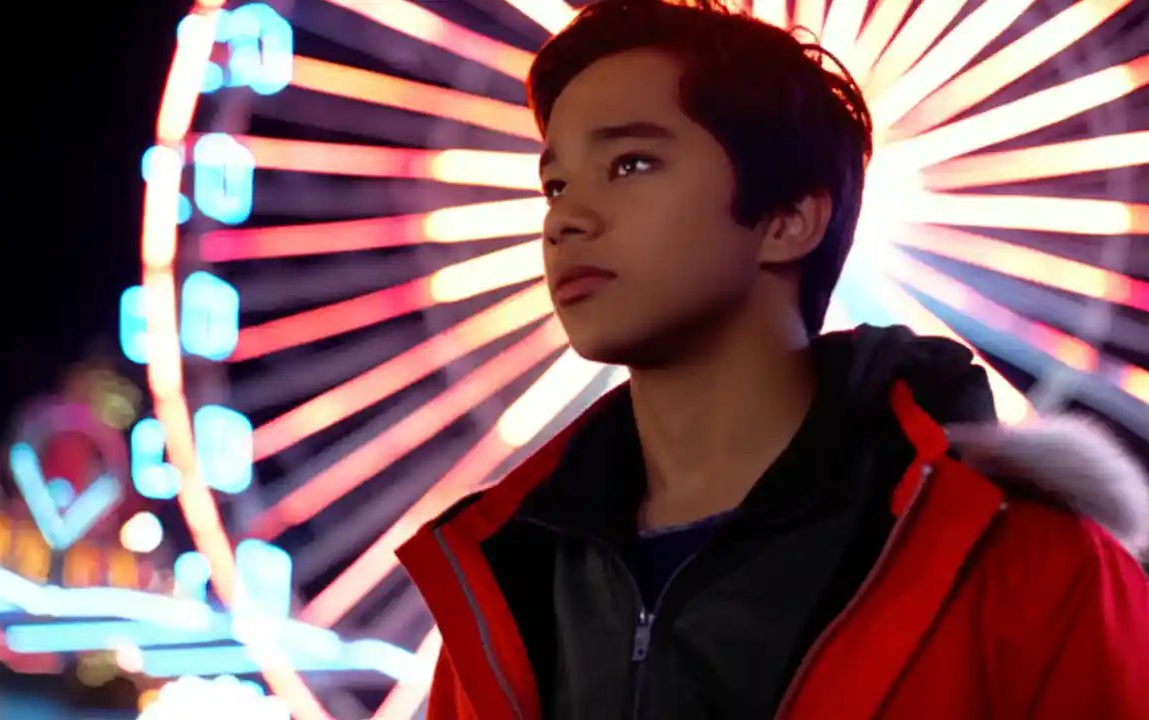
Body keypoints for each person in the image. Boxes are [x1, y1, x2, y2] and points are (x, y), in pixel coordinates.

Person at [395, 1, 1149, 718]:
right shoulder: (504, 601)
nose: (567, 219)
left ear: (789, 220)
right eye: (555, 185)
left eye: (631, 165)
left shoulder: (1029, 573)